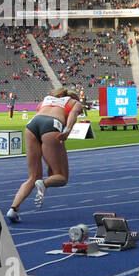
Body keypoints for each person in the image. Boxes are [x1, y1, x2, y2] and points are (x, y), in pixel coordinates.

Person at [6, 87, 83, 223]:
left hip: (32, 125)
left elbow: (41, 118)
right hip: (52, 125)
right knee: (62, 177)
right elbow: (73, 115)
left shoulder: (46, 101)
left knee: (33, 176)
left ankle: (13, 209)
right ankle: (44, 183)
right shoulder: (75, 103)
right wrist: (68, 129)